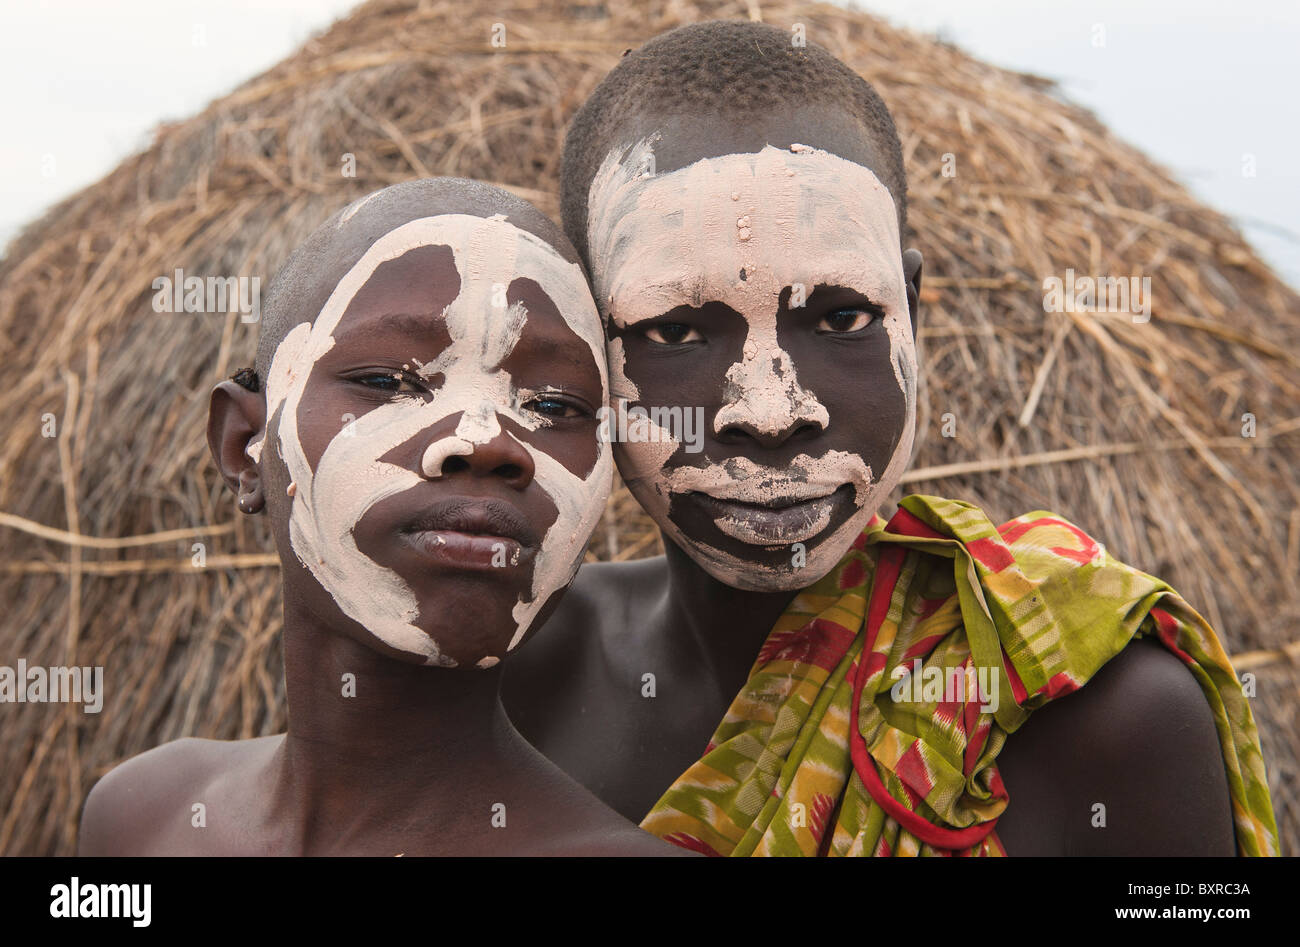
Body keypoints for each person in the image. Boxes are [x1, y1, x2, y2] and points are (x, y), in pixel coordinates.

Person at [502, 21, 1279, 856]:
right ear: (588, 341)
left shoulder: (1106, 714)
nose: (771, 410)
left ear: (911, 310)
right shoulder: (507, 676)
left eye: (841, 316)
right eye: (678, 331)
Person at [78, 178, 686, 856]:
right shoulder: (144, 816)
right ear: (243, 448)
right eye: (387, 382)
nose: (486, 440)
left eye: (554, 407)